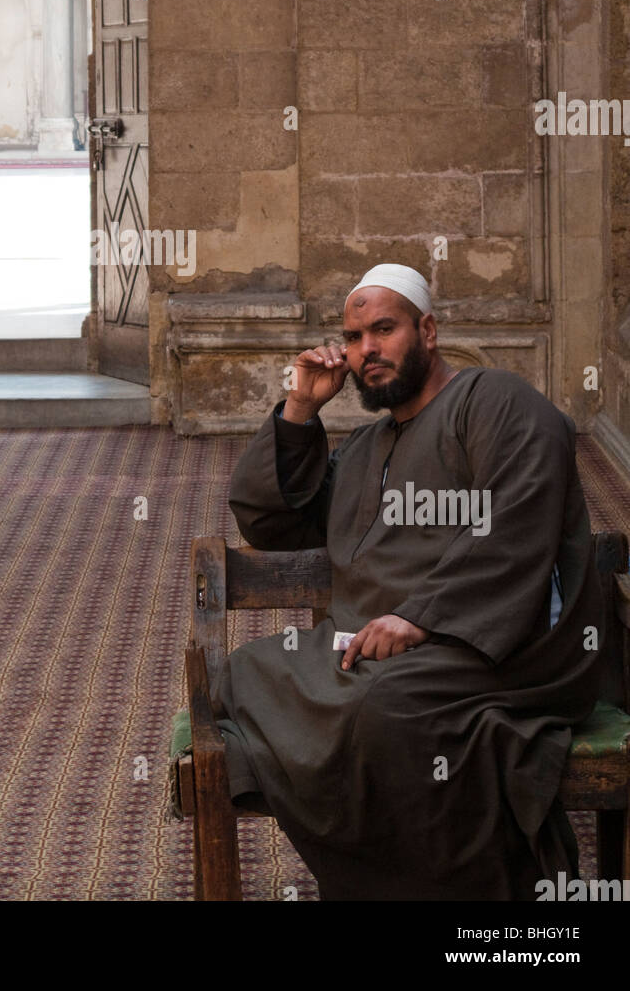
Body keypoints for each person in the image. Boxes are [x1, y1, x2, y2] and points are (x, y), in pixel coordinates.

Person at [212, 263, 603, 901]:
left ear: (426, 330)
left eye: (384, 329)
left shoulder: (493, 400)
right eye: (355, 336)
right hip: (373, 647)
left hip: (496, 643)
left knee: (384, 711)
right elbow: (272, 522)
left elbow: (519, 516)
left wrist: (422, 615)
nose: (368, 349)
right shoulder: (366, 448)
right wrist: (299, 407)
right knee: (248, 671)